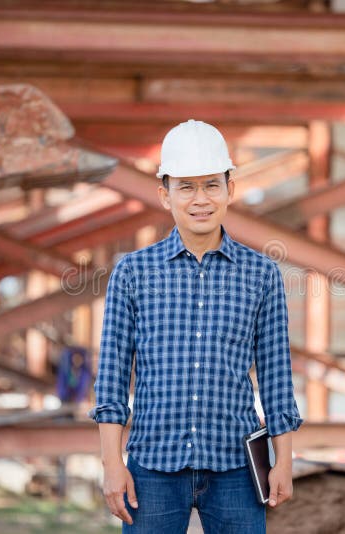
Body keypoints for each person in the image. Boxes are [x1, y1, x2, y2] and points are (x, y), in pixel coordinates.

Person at [88, 119, 303, 533]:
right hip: (152, 467)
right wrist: (112, 464)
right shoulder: (133, 273)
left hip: (236, 469)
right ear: (165, 194)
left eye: (211, 185)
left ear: (229, 190)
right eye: (186, 186)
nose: (200, 199)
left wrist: (284, 461)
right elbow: (111, 378)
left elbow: (276, 376)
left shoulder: (261, 274)